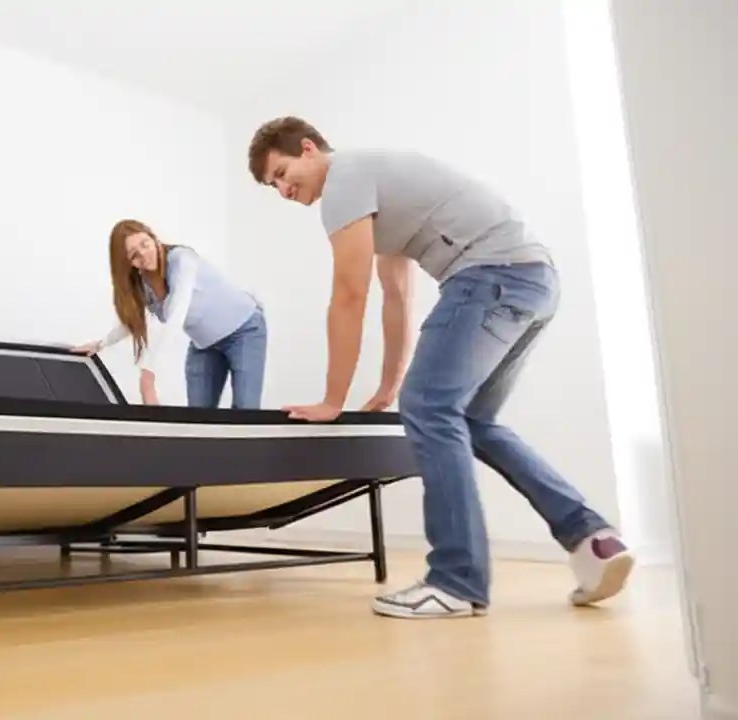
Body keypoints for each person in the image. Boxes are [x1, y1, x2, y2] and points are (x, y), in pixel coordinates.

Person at [245, 116, 634, 619]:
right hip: (532, 281)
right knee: (470, 420)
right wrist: (389, 386)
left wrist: (331, 402)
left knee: (431, 406)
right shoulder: (376, 193)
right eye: (271, 185)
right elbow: (396, 296)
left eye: (280, 172)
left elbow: (348, 295)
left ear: (308, 148)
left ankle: (455, 580)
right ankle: (592, 539)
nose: (281, 189)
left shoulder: (344, 180)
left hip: (490, 278)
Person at [73, 219, 268, 409]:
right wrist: (101, 344)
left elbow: (177, 314)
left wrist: (149, 374)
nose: (144, 255)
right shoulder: (144, 284)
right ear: (128, 263)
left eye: (145, 244)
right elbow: (133, 321)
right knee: (197, 419)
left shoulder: (182, 259)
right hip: (205, 345)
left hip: (244, 330)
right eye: (134, 255)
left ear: (153, 238)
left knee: (245, 410)